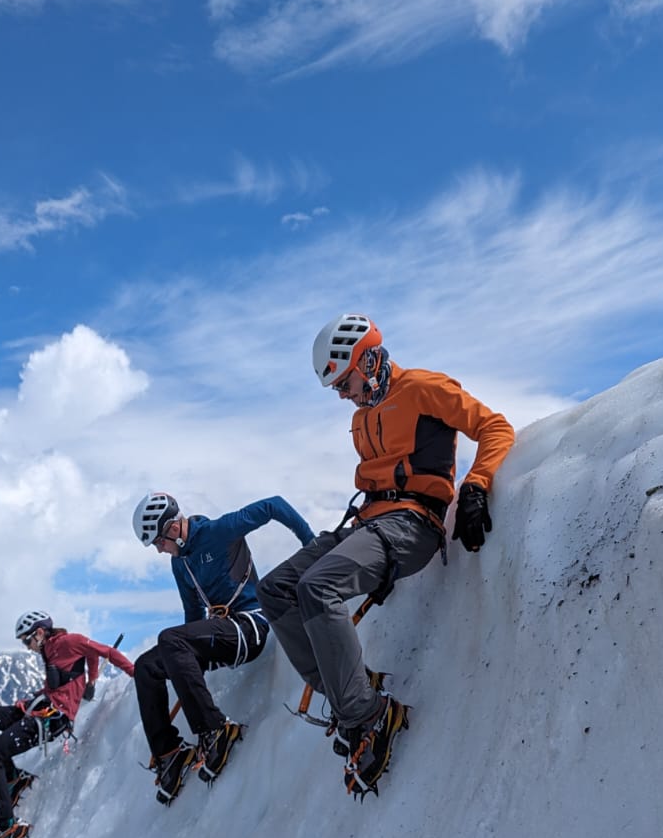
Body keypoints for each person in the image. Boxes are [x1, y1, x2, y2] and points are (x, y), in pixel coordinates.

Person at [258, 312, 515, 796]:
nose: (342, 395)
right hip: (367, 522)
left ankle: (370, 714)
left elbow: (495, 427)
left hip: (412, 523)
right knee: (275, 590)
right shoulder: (361, 417)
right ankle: (348, 691)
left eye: (344, 382)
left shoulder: (423, 388)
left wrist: (476, 485)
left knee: (318, 587)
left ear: (368, 361)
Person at [132, 490, 315, 803]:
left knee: (170, 639)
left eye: (159, 542)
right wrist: (183, 662)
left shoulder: (220, 531)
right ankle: (169, 754)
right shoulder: (180, 564)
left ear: (173, 528)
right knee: (146, 666)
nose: (159, 550)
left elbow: (274, 505)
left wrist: (310, 544)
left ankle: (215, 730)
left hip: (250, 628)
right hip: (221, 636)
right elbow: (192, 617)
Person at [0, 611, 134, 838]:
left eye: (26, 640)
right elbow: (81, 664)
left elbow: (104, 652)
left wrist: (134, 674)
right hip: (42, 708)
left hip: (53, 719)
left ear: (39, 633)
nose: (26, 646)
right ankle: (13, 779)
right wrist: (87, 682)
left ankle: (7, 828)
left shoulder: (69, 642)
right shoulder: (49, 648)